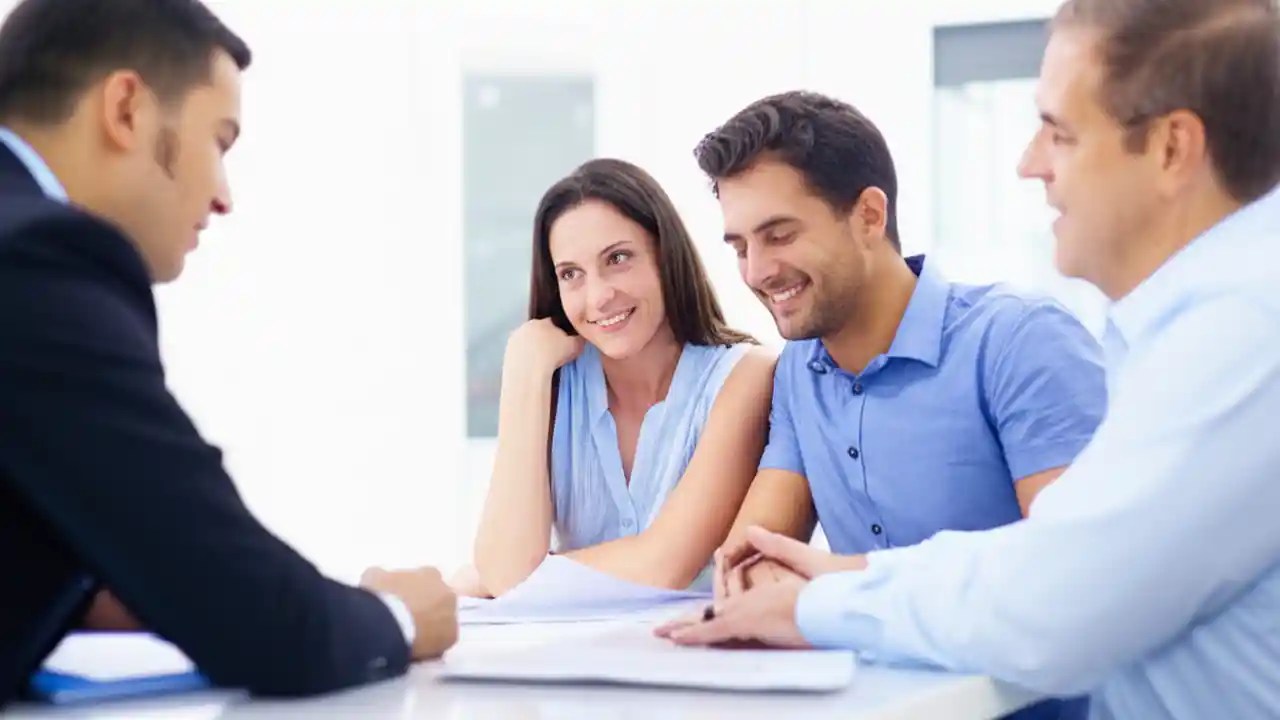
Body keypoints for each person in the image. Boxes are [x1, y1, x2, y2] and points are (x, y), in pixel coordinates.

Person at [658, 1, 1280, 718]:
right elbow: (1052, 558)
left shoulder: (1242, 334)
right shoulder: (1183, 330)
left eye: (1061, 132)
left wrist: (821, 603)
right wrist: (827, 585)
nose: (1028, 164)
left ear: (1172, 149)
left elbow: (1057, 600)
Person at [0, 0, 456, 708]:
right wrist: (396, 616)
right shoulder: (37, 260)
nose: (223, 197)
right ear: (126, 110)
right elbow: (269, 629)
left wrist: (90, 584)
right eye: (219, 141)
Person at [671, 89, 1107, 718]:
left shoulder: (1018, 340)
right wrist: (769, 584)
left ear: (869, 216)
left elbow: (1076, 581)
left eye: (779, 234)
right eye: (739, 246)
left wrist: (833, 585)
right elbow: (750, 565)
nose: (757, 271)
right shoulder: (800, 370)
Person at [461, 158, 776, 598]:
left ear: (665, 256)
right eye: (571, 274)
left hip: (696, 658)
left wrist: (517, 576)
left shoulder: (745, 377)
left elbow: (665, 564)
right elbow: (501, 569)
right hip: (570, 657)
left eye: (618, 258)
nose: (599, 296)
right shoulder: (551, 384)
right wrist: (522, 370)